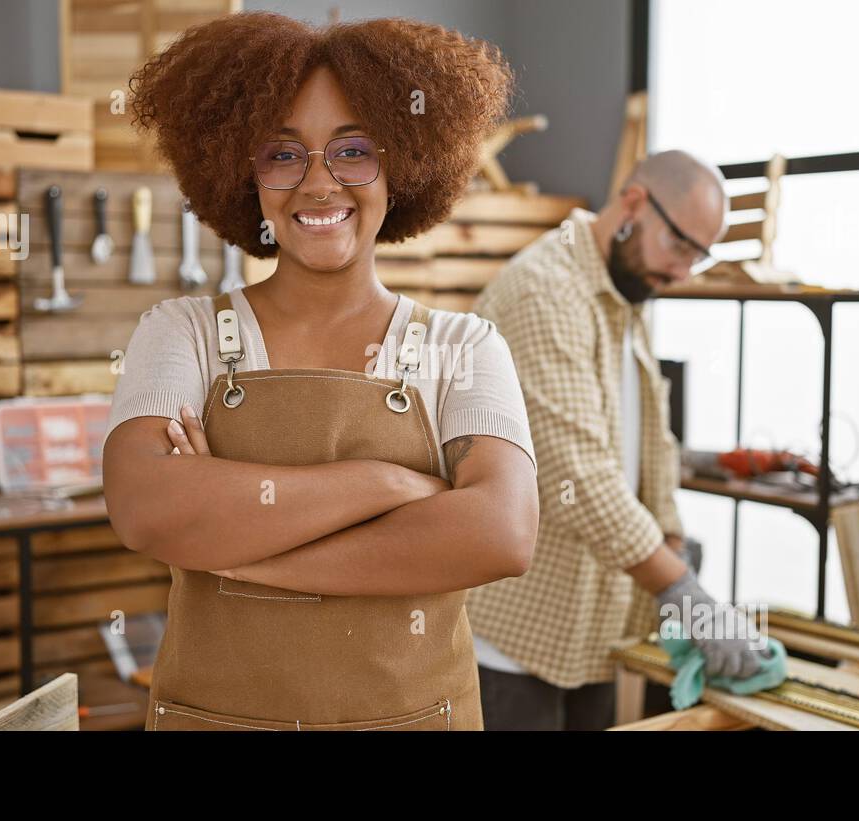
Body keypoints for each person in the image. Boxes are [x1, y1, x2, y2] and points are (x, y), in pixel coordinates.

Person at [101, 12, 538, 731]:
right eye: (282, 154)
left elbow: (501, 533)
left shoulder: (466, 345)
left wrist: (240, 553)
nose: (319, 183)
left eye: (354, 150)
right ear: (244, 173)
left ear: (401, 166)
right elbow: (146, 507)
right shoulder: (181, 332)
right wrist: (386, 484)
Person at [469, 150, 768, 730]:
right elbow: (579, 477)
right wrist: (682, 591)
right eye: (680, 245)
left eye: (698, 256)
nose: (683, 271)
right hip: (514, 636)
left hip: (588, 633)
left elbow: (651, 435)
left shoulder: (620, 294)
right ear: (634, 203)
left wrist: (673, 539)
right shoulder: (547, 292)